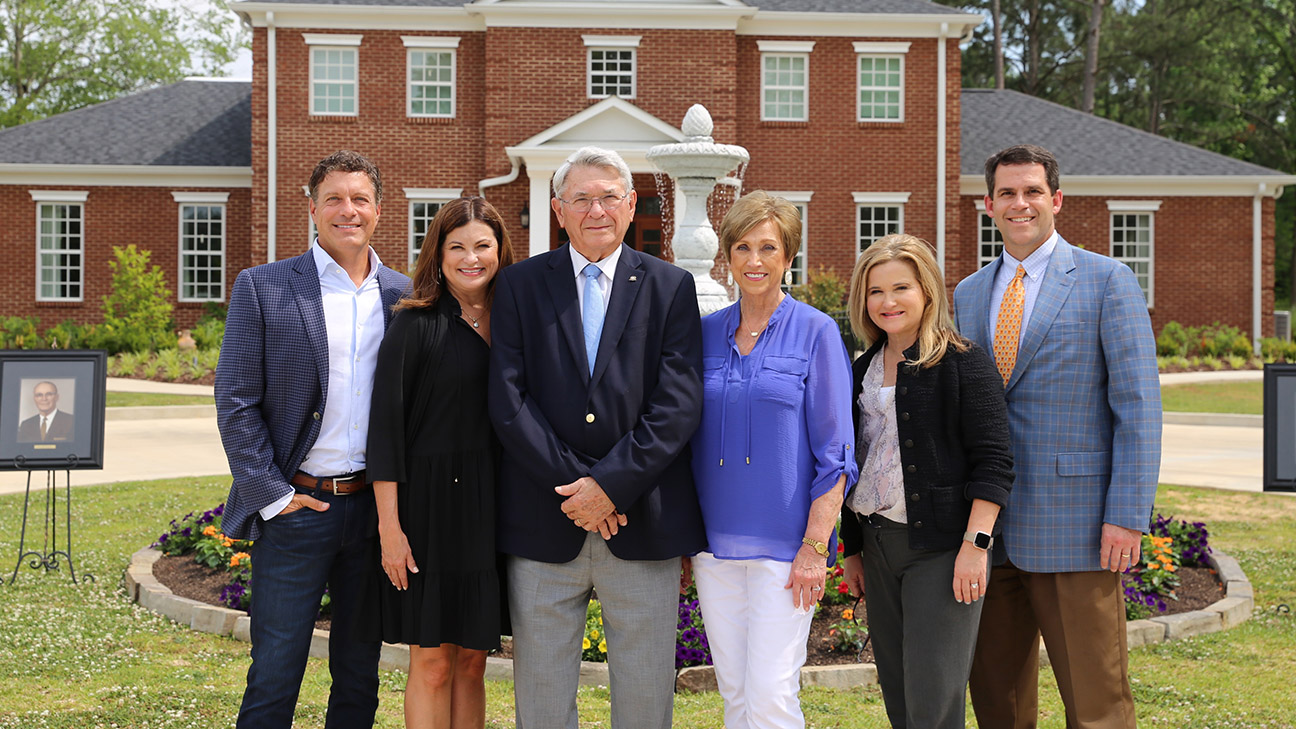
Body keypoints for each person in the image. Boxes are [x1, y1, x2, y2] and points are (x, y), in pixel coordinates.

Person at [487, 146, 706, 729]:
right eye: (581, 198)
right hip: (543, 523)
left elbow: (678, 405)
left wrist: (609, 487)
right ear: (559, 211)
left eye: (609, 196)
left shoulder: (670, 286)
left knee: (643, 699)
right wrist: (577, 490)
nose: (596, 209)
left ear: (632, 203)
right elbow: (508, 403)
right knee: (541, 698)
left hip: (641, 521)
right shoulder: (518, 286)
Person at [953, 144, 1161, 729]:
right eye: (1008, 193)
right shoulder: (968, 293)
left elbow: (1137, 407)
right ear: (988, 204)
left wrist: (1127, 513)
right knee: (998, 703)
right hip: (987, 533)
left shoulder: (1106, 280)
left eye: (1033, 191)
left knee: (1097, 703)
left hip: (1079, 526)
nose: (1021, 204)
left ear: (1056, 200)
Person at [215, 150, 410, 729]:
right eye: (334, 199)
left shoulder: (406, 296)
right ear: (312, 209)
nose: (347, 210)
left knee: (359, 672)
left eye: (360, 199)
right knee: (275, 669)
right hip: (297, 509)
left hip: (374, 512)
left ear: (378, 211)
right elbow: (236, 401)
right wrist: (274, 496)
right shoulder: (264, 287)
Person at [688, 190, 857, 729]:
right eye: (742, 247)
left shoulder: (817, 332)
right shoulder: (704, 335)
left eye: (768, 248)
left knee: (770, 693)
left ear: (788, 257)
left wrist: (813, 547)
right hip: (713, 546)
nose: (754, 261)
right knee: (735, 693)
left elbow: (837, 455)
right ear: (728, 257)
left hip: (787, 549)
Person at [839, 233, 1015, 729]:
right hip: (876, 545)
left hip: (941, 551)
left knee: (932, 699)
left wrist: (975, 544)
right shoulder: (861, 370)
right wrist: (851, 548)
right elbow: (855, 464)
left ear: (928, 292)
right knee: (897, 691)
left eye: (901, 288)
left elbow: (994, 461)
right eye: (875, 291)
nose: (888, 302)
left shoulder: (962, 362)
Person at [364, 196, 514, 729]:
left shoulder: (517, 321)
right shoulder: (415, 322)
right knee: (430, 662)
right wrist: (390, 529)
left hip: (494, 508)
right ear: (438, 252)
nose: (470, 258)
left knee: (474, 661)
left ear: (500, 250)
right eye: (457, 247)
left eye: (482, 246)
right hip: (427, 511)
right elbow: (385, 431)